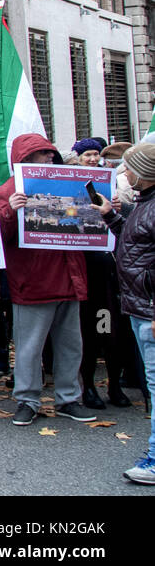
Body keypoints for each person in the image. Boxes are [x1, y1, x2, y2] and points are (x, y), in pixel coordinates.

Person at [0, 135, 96, 426]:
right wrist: (8, 211)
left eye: (50, 153)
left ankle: (68, 399)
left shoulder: (71, 183)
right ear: (25, 159)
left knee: (70, 345)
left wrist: (107, 207)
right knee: (29, 347)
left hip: (68, 278)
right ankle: (27, 400)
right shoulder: (9, 190)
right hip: (33, 282)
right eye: (42, 154)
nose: (50, 158)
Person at [98, 143, 155, 482]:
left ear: (144, 172)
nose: (123, 172)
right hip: (139, 306)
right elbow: (135, 245)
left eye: (128, 167)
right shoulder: (145, 204)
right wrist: (111, 216)